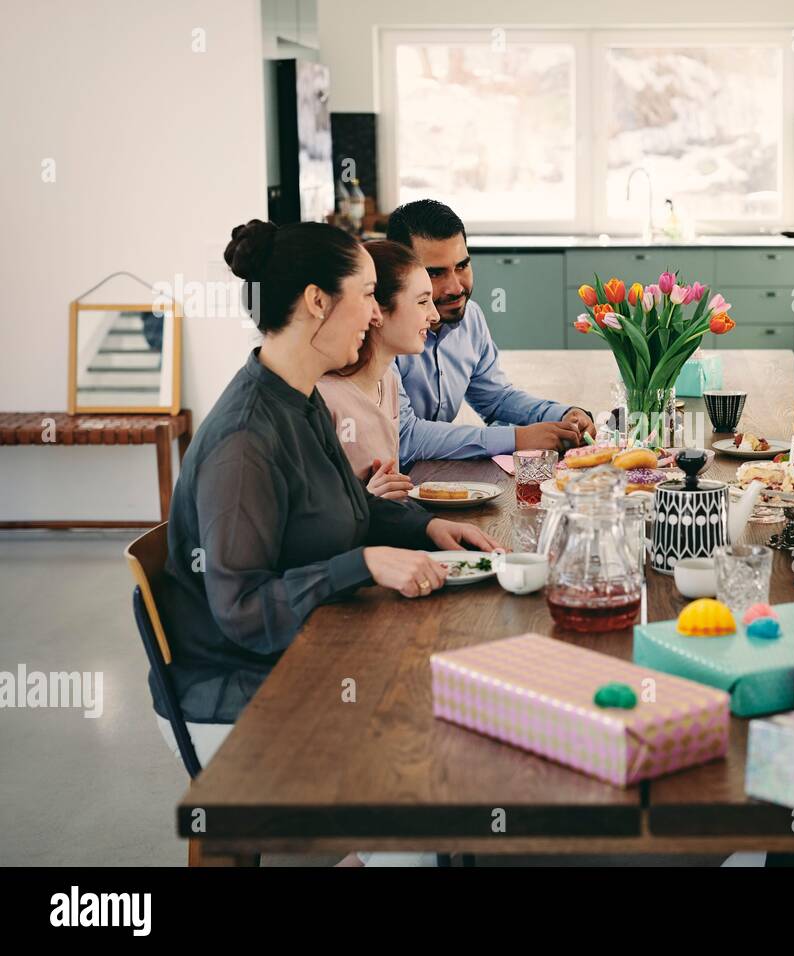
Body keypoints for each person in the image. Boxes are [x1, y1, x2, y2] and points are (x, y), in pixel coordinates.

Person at [152, 219, 502, 737]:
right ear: (318, 301)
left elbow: (345, 503)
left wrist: (424, 528)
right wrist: (360, 564)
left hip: (306, 648)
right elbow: (244, 610)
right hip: (243, 692)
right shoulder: (245, 440)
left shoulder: (298, 395)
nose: (374, 312)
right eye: (365, 295)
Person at [387, 199, 595, 465]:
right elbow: (406, 438)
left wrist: (562, 415)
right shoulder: (384, 333)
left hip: (435, 478)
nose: (455, 287)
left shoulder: (470, 317)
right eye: (435, 273)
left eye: (461, 266)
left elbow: (497, 399)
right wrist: (517, 438)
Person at [318, 240, 432, 499]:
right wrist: (367, 500)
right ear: (376, 309)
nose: (433, 315)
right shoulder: (324, 398)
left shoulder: (388, 381)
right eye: (423, 302)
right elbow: (313, 515)